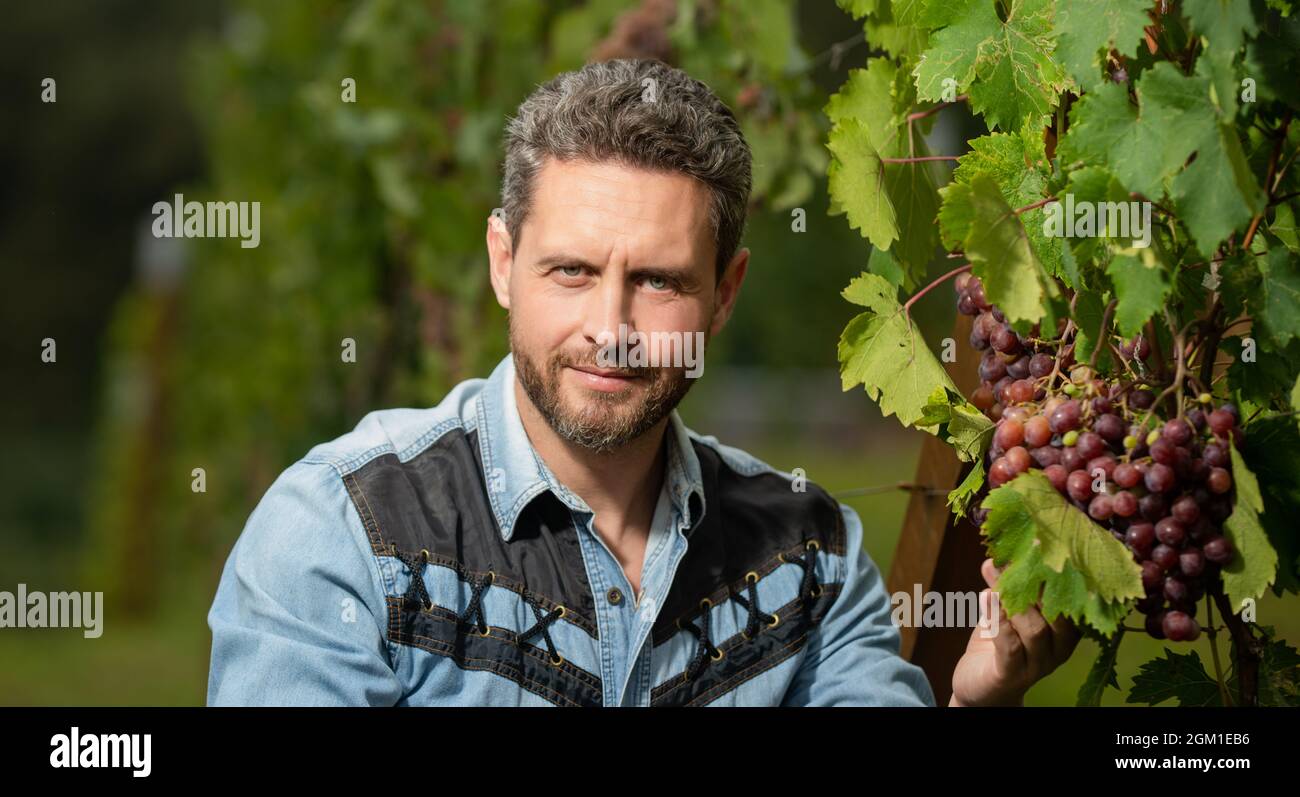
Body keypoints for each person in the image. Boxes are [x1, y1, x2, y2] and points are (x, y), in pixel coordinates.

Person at [206, 58, 1078, 707]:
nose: (612, 329)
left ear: (725, 293)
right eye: (572, 271)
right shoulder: (344, 531)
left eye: (658, 280)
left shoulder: (812, 556)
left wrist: (974, 702)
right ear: (503, 263)